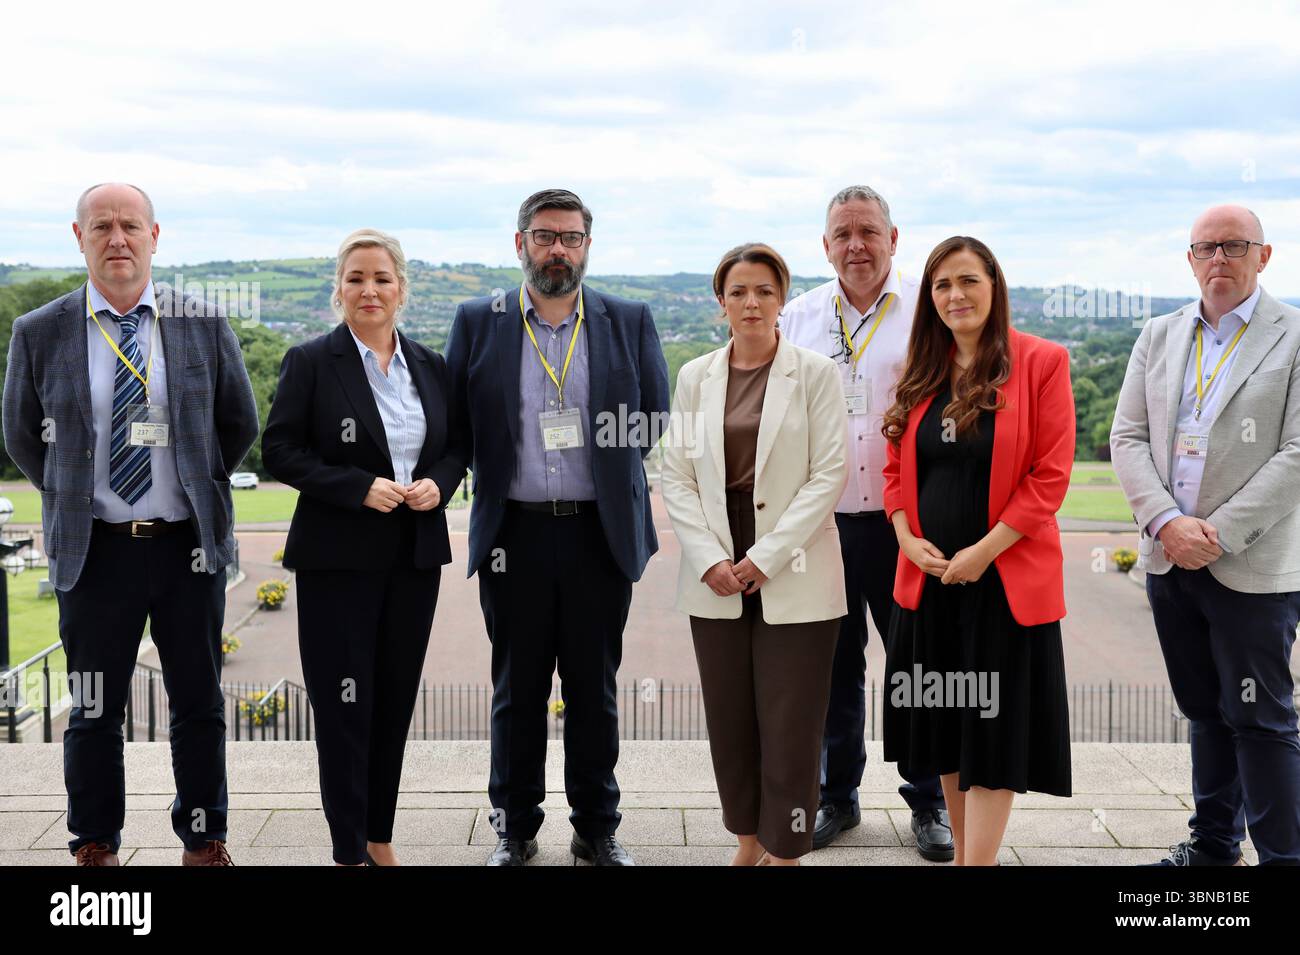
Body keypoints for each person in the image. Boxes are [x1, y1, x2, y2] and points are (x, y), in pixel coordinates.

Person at [2, 182, 258, 866]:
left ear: (154, 235)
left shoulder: (202, 322)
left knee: (198, 704)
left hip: (186, 548)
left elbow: (238, 422)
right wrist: (74, 493)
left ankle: (204, 838)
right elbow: (23, 435)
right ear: (79, 236)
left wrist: (196, 483)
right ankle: (94, 840)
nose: (118, 238)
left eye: (130, 226)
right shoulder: (41, 329)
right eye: (102, 226)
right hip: (95, 552)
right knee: (92, 709)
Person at [444, 189, 669, 866]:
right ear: (520, 244)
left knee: (593, 692)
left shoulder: (627, 318)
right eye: (544, 236)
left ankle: (596, 826)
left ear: (587, 248)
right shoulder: (477, 320)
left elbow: (653, 415)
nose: (558, 250)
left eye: (571, 238)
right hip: (513, 532)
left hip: (598, 534)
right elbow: (455, 422)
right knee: (517, 690)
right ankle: (515, 827)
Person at [261, 228, 467, 866]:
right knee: (345, 709)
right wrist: (357, 488)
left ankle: (380, 836)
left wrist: (440, 482)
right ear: (339, 290)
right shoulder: (311, 362)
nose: (369, 290)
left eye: (381, 278)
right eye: (356, 278)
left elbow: (458, 446)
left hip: (412, 559)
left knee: (392, 705)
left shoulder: (433, 366)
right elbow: (280, 452)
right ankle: (348, 850)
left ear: (401, 289)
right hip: (337, 561)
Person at [1111, 205, 1300, 866]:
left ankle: (1282, 858)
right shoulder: (1159, 334)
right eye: (1205, 248)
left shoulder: (1294, 335)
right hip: (1172, 560)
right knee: (1206, 711)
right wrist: (1166, 522)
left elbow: (1298, 453)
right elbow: (1127, 437)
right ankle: (1214, 848)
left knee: (1264, 721)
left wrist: (1215, 532)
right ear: (1190, 259)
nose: (1219, 259)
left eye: (1233, 246)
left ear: (1264, 255)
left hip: (1252, 565)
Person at [880, 236, 1074, 866]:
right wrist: (908, 539)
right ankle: (967, 856)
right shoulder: (922, 372)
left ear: (995, 286)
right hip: (931, 581)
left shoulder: (1041, 362)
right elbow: (894, 472)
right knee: (945, 729)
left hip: (1003, 583)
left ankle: (977, 864)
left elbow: (1050, 475)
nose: (955, 295)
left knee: (991, 734)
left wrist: (985, 552)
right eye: (941, 285)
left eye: (968, 281)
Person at [780, 185, 952, 858]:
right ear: (825, 246)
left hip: (906, 523)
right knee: (831, 668)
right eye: (843, 233)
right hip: (822, 525)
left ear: (893, 237)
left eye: (868, 231)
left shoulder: (928, 311)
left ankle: (929, 802)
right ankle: (836, 797)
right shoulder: (798, 318)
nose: (856, 244)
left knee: (917, 665)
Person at [662, 243, 847, 865]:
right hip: (714, 564)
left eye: (764, 291)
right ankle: (748, 843)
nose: (751, 302)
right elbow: (675, 476)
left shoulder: (816, 374)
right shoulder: (695, 376)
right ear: (721, 302)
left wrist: (767, 556)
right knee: (732, 721)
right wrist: (709, 557)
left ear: (783, 300)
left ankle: (786, 850)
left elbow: (829, 475)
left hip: (794, 561)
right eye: (738, 291)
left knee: (792, 725)